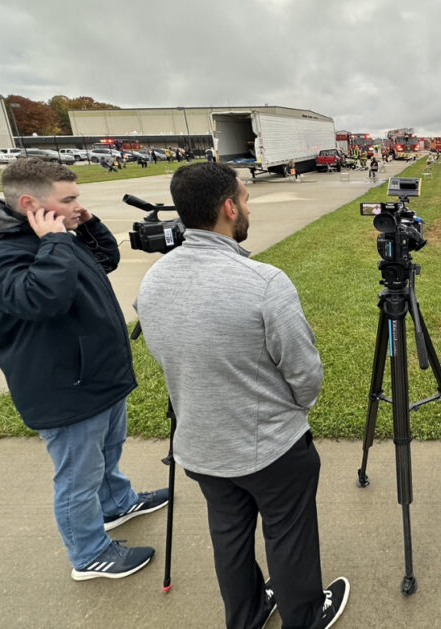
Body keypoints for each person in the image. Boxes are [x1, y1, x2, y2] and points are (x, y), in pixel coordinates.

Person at [135, 162, 349, 629]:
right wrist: (295, 410)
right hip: (272, 448)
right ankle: (305, 617)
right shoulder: (264, 282)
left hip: (200, 445)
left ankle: (247, 616)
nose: (248, 207)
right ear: (229, 208)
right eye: (246, 199)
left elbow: (164, 352)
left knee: (228, 537)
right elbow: (305, 373)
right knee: (288, 537)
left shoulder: (152, 280)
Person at [0, 158, 168, 581]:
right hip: (63, 384)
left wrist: (84, 225)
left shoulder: (51, 235)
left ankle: (117, 504)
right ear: (30, 202)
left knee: (107, 451)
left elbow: (105, 260)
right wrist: (55, 241)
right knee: (77, 476)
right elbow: (41, 300)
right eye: (68, 199)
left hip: (97, 373)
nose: (76, 205)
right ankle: (88, 554)